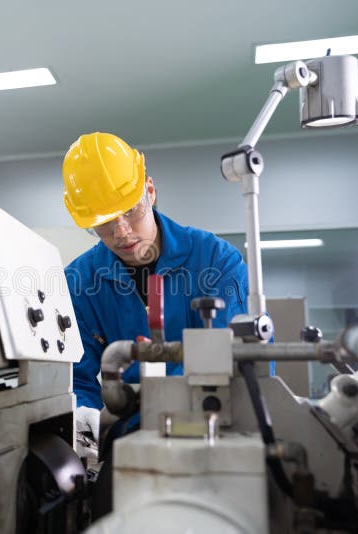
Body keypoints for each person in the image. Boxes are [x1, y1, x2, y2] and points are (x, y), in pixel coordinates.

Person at [62, 132, 249, 456]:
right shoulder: (79, 281)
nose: (121, 232)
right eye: (104, 223)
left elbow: (241, 363)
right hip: (129, 444)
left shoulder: (217, 260)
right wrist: (85, 449)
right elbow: (75, 381)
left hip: (216, 434)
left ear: (150, 191)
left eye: (131, 211)